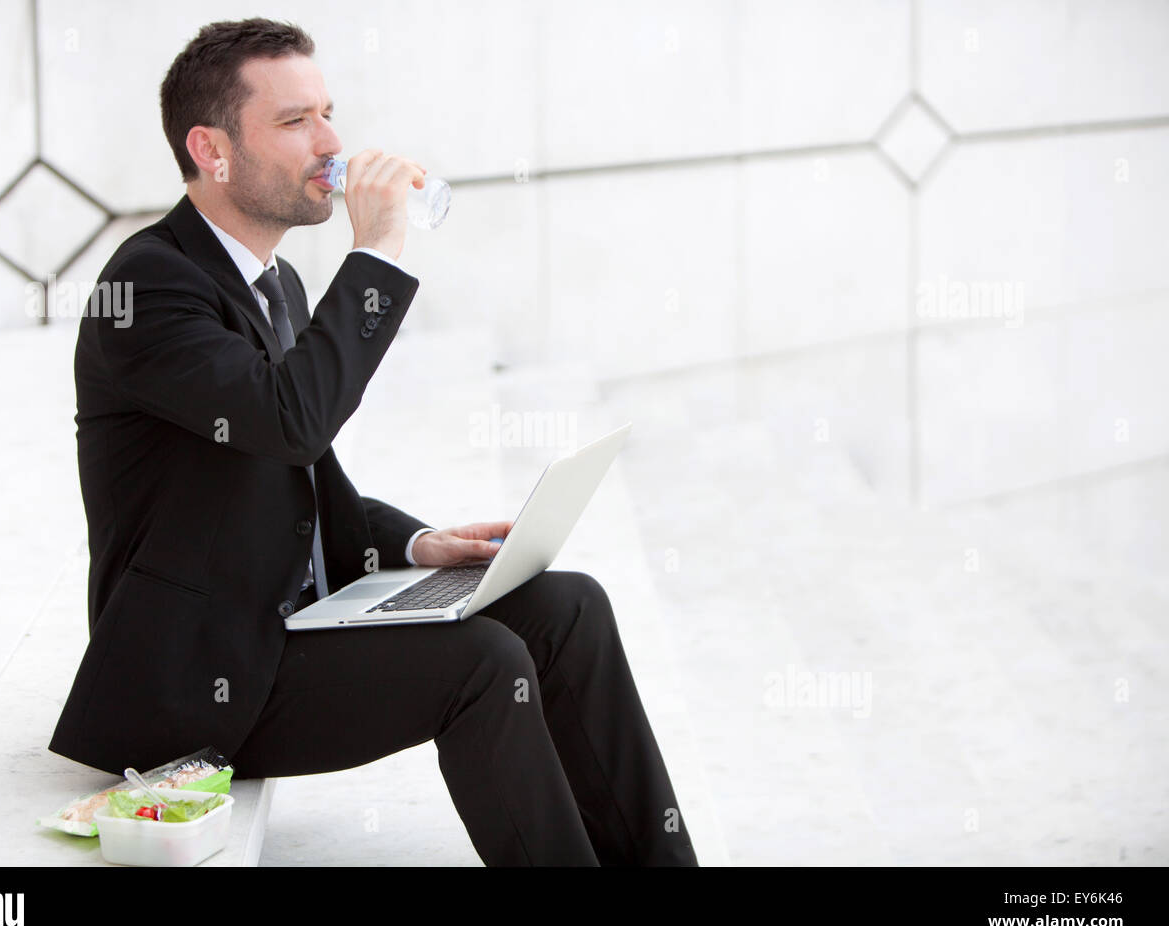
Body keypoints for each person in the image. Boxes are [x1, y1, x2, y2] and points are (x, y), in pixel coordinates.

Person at [48, 17, 697, 866]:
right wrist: (380, 249)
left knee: (569, 605)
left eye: (327, 112)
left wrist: (418, 543)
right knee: (481, 661)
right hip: (203, 680)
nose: (330, 142)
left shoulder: (267, 279)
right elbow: (292, 418)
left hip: (287, 625)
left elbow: (302, 472)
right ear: (210, 149)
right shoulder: (146, 283)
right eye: (293, 121)